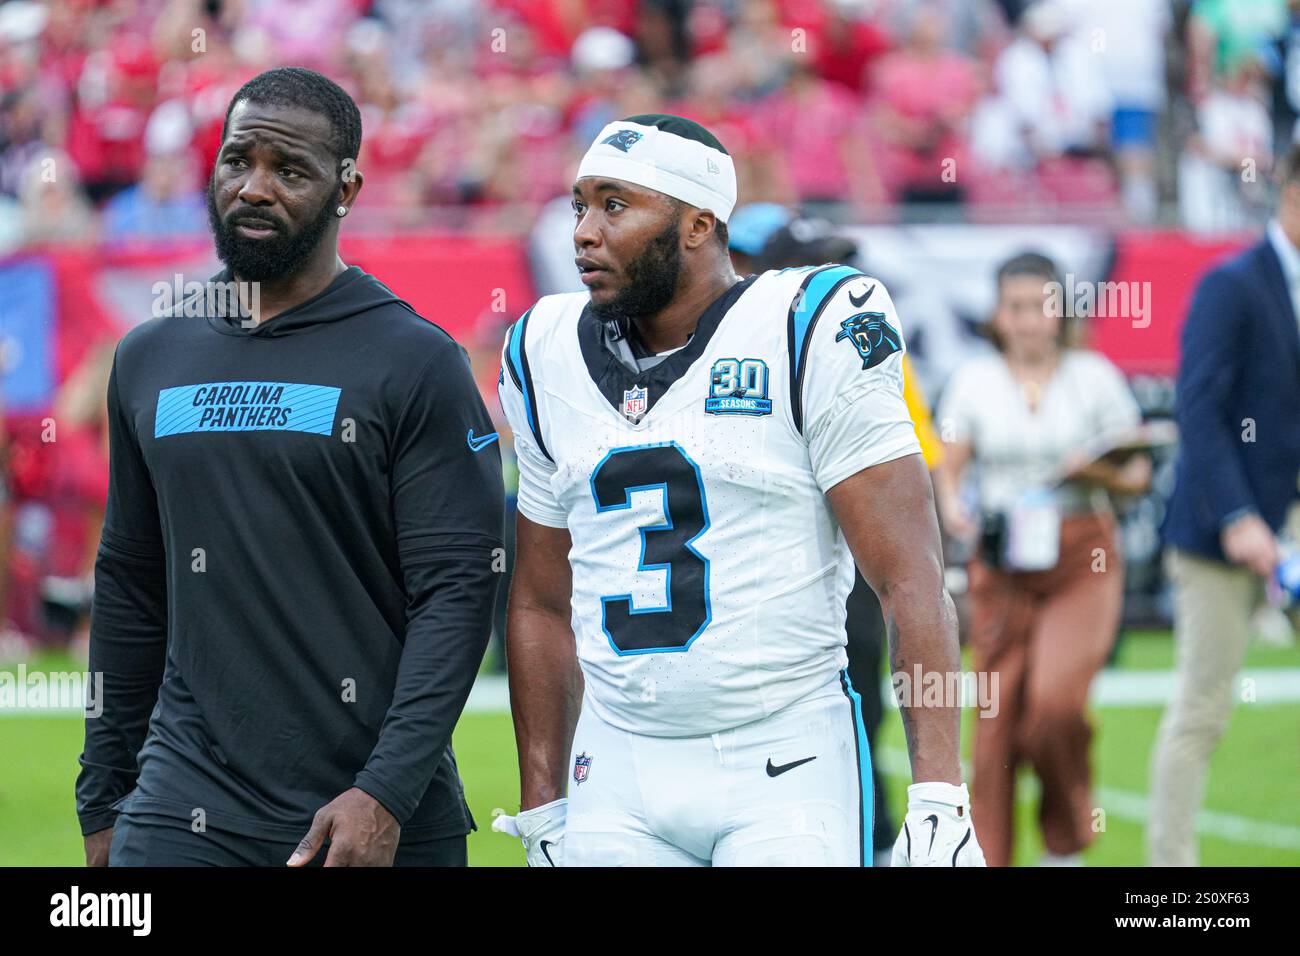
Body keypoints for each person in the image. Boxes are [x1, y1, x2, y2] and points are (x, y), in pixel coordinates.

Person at [492, 114, 984, 867]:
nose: (585, 232)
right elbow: (538, 599)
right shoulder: (542, 348)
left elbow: (909, 574)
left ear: (696, 225)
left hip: (785, 757)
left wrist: (940, 799)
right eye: (580, 205)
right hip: (616, 762)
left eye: (615, 205)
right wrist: (543, 805)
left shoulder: (808, 324)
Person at [76, 67, 504, 867]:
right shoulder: (149, 356)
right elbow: (131, 578)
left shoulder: (416, 361)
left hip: (374, 815)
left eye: (291, 170)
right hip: (181, 805)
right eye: (239, 161)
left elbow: (457, 590)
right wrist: (104, 796)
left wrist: (386, 791)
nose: (256, 188)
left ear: (348, 189)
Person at [936, 251, 1150, 867]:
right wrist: (954, 508)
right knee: (997, 720)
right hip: (1001, 558)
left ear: (1061, 311)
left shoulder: (1096, 377)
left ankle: (1065, 842)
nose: (1029, 320)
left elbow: (1136, 471)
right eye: (1017, 307)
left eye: (1041, 306)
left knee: (1055, 705)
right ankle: (992, 856)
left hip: (1082, 554)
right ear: (998, 314)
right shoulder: (975, 379)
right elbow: (950, 465)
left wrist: (1098, 468)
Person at [1150, 143, 1300, 867]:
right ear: (1289, 194)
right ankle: (1170, 882)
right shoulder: (1233, 285)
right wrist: (1240, 517)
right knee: (1202, 710)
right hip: (1219, 530)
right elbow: (1198, 410)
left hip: (1293, 522)